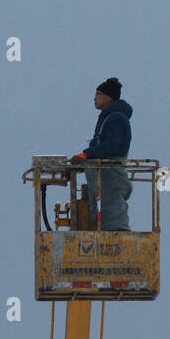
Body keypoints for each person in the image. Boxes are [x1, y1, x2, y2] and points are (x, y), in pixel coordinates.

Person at [70, 77, 133, 231]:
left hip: (110, 173)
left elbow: (111, 146)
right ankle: (100, 229)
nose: (94, 98)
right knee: (104, 206)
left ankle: (117, 235)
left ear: (108, 97)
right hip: (103, 174)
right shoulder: (108, 118)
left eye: (98, 94)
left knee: (112, 206)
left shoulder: (116, 119)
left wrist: (86, 155)